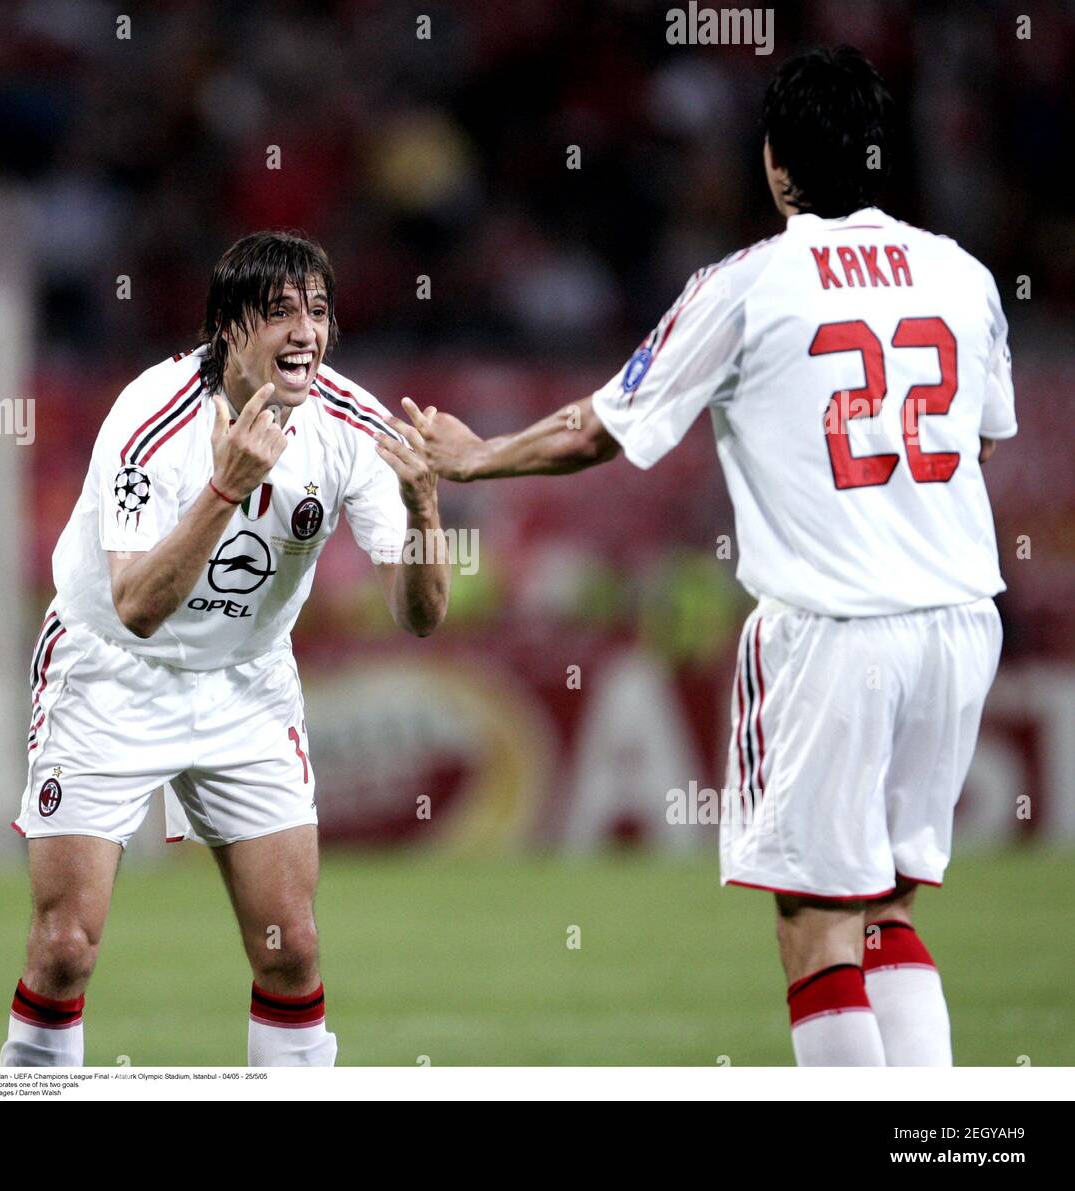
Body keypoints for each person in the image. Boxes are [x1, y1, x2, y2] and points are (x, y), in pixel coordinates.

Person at [415, 47, 1016, 1067]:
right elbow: (982, 437)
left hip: (836, 630)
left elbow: (596, 429)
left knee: (815, 920)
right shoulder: (961, 272)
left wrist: (474, 460)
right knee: (886, 910)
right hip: (960, 621)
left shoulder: (750, 281)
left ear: (777, 164)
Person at [1, 230, 449, 1067]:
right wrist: (225, 488)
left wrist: (425, 512)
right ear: (226, 329)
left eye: (318, 311)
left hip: (245, 684)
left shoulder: (353, 424)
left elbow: (417, 615)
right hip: (110, 674)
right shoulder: (146, 417)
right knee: (65, 948)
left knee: (292, 948)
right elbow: (136, 606)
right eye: (279, 312)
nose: (306, 331)